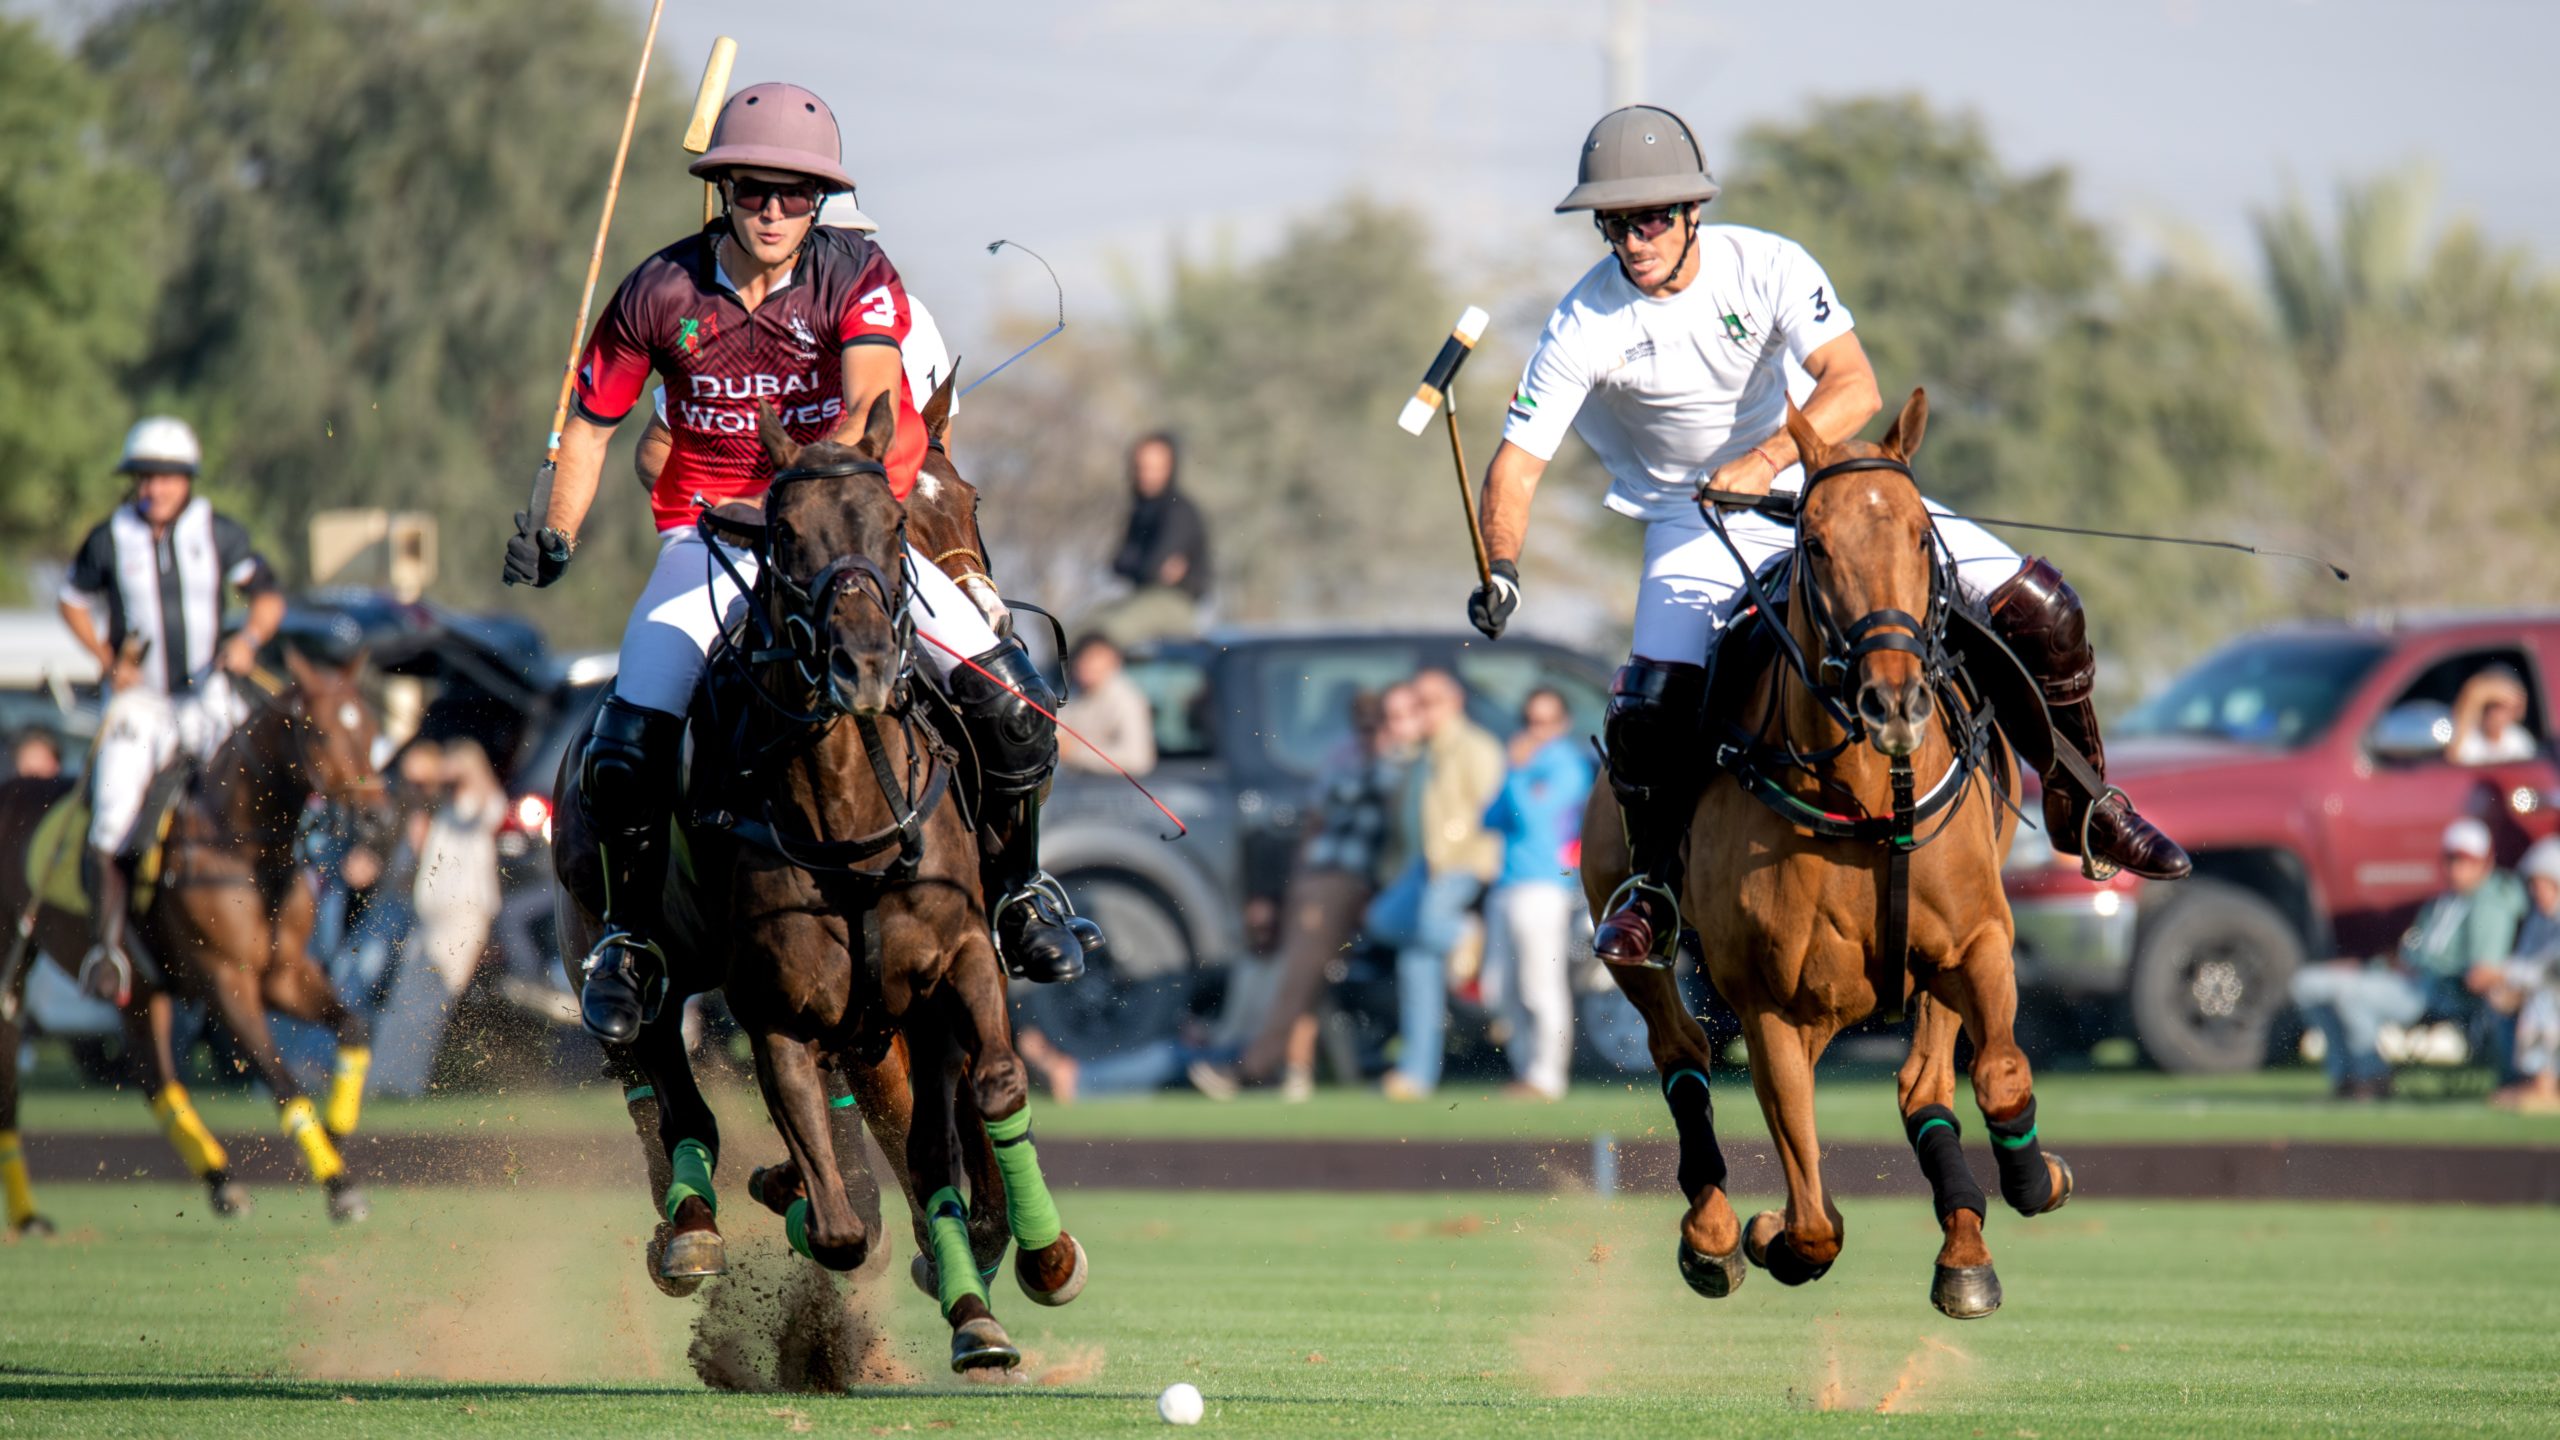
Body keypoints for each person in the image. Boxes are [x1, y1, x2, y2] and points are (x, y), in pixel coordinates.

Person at [1465, 104, 2188, 968]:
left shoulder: (1767, 265)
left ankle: (2088, 801)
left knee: (2042, 609)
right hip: (1687, 518)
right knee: (1650, 710)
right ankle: (1655, 886)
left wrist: (1768, 457)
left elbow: (1852, 384)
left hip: (1818, 483)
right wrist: (1502, 568)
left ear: (1693, 212)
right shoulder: (1584, 321)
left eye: (1650, 217)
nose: (1632, 239)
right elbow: (1515, 466)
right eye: (1614, 223)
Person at [501, 82, 1102, 1042]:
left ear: (818, 200)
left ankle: (1023, 890)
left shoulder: (857, 275)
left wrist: (804, 499)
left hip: (848, 534)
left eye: (794, 193)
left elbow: (869, 408)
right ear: (725, 188)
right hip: (707, 539)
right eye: (754, 191)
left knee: (1014, 705)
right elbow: (593, 421)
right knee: (623, 748)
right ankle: (628, 939)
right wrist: (559, 527)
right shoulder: (659, 290)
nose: (774, 210)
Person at [59, 416, 283, 1003]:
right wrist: (107, 659)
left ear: (186, 481)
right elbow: (71, 601)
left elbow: (267, 595)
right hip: (142, 703)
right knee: (111, 816)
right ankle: (107, 951)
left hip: (208, 696)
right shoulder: (109, 538)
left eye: (164, 477)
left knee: (259, 793)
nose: (152, 488)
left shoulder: (219, 534)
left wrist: (248, 640)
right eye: (143, 477)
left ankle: (276, 926)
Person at [1189, 684, 1423, 1099]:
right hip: (1316, 874)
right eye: (1365, 723)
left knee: (1299, 974)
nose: (1373, 731)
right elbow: (1316, 820)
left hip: (1352, 881)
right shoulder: (1345, 755)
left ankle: (1255, 1065)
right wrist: (1297, 873)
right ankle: (1296, 1069)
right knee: (1305, 973)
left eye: (1383, 721)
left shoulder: (1407, 763)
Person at [2291, 817, 2527, 1099]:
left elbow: (2481, 970)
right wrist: (2368, 966)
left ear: (2485, 862)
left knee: (2349, 994)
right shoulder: (2440, 903)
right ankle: (2343, 1073)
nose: (2456, 868)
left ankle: (2369, 1076)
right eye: (2450, 859)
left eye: (2466, 860)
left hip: (2438, 990)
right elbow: (2413, 952)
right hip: (2409, 979)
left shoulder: (2489, 903)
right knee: (2306, 983)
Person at [1370, 670, 1504, 1099]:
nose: (1422, 712)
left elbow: (1491, 813)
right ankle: (1418, 1073)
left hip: (1464, 863)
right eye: (1417, 703)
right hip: (1424, 866)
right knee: (1396, 935)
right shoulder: (1421, 752)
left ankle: (1417, 1071)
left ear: (1454, 701)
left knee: (1420, 944)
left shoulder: (1475, 747)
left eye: (1430, 703)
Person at [371, 741, 506, 1097]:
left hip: (462, 917)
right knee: (403, 1003)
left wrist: (447, 767)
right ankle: (383, 1084)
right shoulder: (436, 815)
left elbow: (476, 775)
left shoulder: (473, 806)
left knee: (429, 1004)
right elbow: (405, 876)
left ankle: (404, 1086)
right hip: (427, 921)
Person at [1479, 687, 1595, 1100]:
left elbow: (1529, 816)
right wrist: (1514, 773)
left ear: (1562, 724)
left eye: (1545, 722)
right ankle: (1527, 1069)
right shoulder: (1526, 766)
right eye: (1530, 721)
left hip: (1546, 887)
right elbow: (1489, 816)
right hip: (1508, 884)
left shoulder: (1567, 764)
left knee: (1539, 985)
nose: (1536, 730)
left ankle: (1548, 1075)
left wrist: (1515, 769)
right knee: (1501, 987)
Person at [1090, 433, 1211, 644]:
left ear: (1170, 468)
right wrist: (1146, 565)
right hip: (1140, 599)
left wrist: (1142, 565)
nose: (1146, 474)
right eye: (1141, 467)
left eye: (1155, 467)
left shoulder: (1178, 510)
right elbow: (1118, 564)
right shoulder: (1141, 510)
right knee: (1080, 628)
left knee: (1104, 636)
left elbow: (1150, 567)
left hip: (1172, 603)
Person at [2477, 836, 2560, 1111]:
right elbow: (2525, 961)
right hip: (2542, 989)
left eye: (2544, 884)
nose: (2537, 891)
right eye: (2534, 885)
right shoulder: (2538, 919)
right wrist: (2505, 985)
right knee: (2501, 1003)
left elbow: (2549, 969)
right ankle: (2517, 1079)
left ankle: (2545, 1088)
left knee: (2544, 1001)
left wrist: (2502, 973)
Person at [1055, 633, 1156, 777]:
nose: (1086, 664)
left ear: (1114, 660)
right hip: (1073, 786)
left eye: (1094, 657)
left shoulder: (1127, 699)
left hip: (1118, 791)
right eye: (1082, 658)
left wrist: (1074, 752)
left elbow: (1138, 759)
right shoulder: (1071, 693)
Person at [2448, 666, 2537, 766]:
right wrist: (2478, 692)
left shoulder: (2519, 740)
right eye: (2489, 705)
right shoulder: (2470, 739)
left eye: (2500, 706)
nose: (2494, 713)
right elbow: (2454, 761)